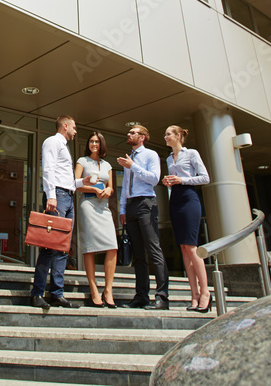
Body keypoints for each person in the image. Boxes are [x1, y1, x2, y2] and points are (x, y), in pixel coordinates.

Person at [30, 115, 81, 309]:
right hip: (57, 197)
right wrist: (50, 195)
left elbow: (64, 177)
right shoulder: (52, 141)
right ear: (65, 126)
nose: (75, 131)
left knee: (62, 248)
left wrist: (82, 183)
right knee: (49, 246)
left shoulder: (64, 146)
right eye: (74, 127)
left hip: (67, 196)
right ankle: (37, 294)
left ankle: (56, 293)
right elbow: (48, 169)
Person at [117, 124, 169, 310]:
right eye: (129, 132)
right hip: (131, 207)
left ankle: (162, 297)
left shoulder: (150, 155)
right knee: (138, 255)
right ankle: (141, 296)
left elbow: (154, 179)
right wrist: (122, 209)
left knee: (154, 250)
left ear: (142, 137)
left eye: (133, 133)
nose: (128, 134)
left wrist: (134, 167)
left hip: (146, 203)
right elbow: (125, 185)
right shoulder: (129, 158)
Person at [161, 125, 211, 313]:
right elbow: (174, 182)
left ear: (178, 136)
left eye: (168, 134)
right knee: (183, 248)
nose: (165, 137)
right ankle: (194, 295)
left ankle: (205, 292)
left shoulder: (191, 154)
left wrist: (183, 180)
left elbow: (205, 178)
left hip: (190, 199)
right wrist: (169, 183)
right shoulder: (168, 158)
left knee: (191, 247)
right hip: (175, 199)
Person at [74, 132, 118, 308]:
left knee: (112, 246)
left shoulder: (107, 165)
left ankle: (108, 290)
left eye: (97, 142)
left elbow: (111, 188)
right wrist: (93, 190)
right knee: (90, 247)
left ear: (101, 145)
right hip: (88, 204)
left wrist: (108, 191)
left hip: (104, 207)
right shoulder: (82, 161)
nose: (94, 144)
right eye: (91, 141)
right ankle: (93, 288)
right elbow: (74, 184)